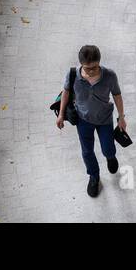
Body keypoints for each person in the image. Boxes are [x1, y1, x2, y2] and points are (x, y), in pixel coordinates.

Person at [55, 45, 127, 198]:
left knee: (107, 148)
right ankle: (94, 176)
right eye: (87, 68)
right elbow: (66, 92)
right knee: (87, 151)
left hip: (104, 119)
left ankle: (110, 156)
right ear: (81, 64)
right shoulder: (72, 75)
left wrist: (121, 117)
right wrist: (61, 114)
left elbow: (117, 95)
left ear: (99, 62)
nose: (92, 71)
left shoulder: (109, 76)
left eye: (95, 67)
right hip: (83, 120)